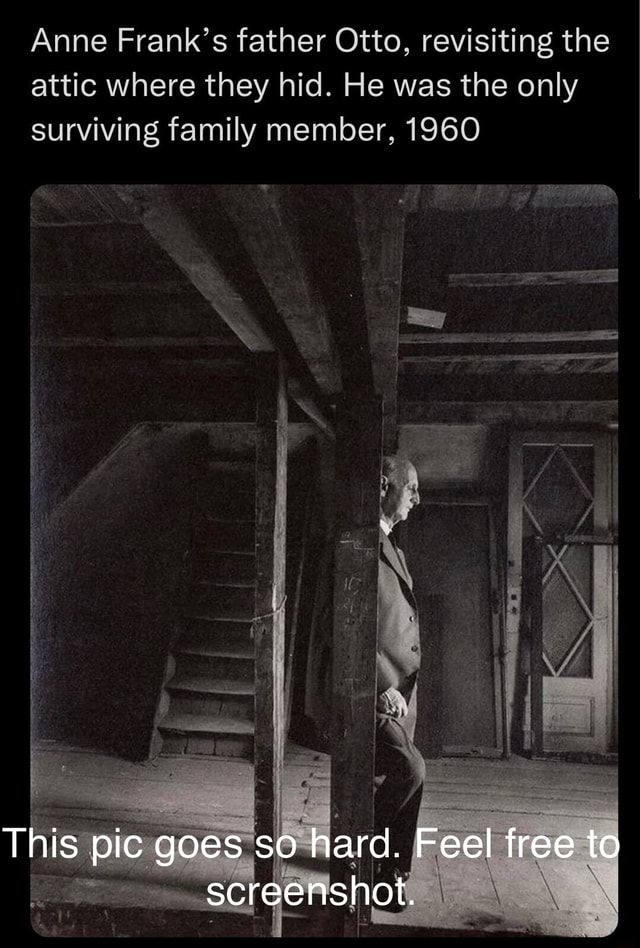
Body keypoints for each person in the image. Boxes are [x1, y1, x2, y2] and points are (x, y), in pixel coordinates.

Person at [374, 455, 425, 912]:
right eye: (411, 488)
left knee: (415, 773)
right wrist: (379, 683)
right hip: (368, 696)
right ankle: (360, 856)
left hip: (397, 696)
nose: (415, 498)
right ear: (384, 484)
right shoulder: (359, 542)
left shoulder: (391, 545)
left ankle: (390, 873)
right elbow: (343, 623)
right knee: (410, 770)